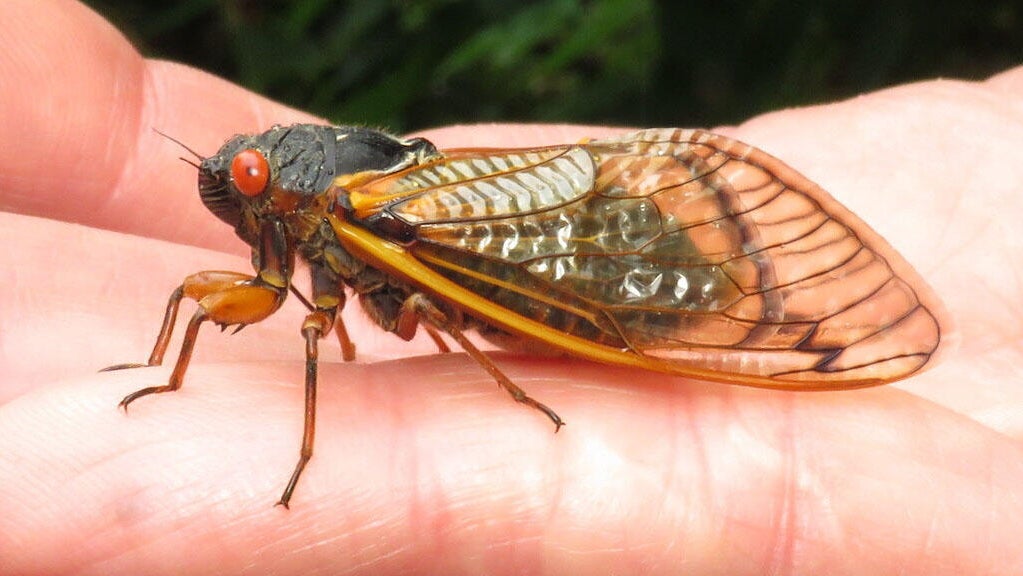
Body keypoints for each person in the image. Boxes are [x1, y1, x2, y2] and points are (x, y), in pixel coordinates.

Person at [2, 1, 1021, 574]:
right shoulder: (298, 224)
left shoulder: (345, 213)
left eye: (252, 179)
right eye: (238, 183)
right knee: (201, 294)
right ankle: (169, 378)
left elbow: (394, 312)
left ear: (288, 186)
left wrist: (502, 383)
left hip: (501, 252)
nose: (235, 193)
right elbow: (318, 296)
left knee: (337, 325)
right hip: (442, 221)